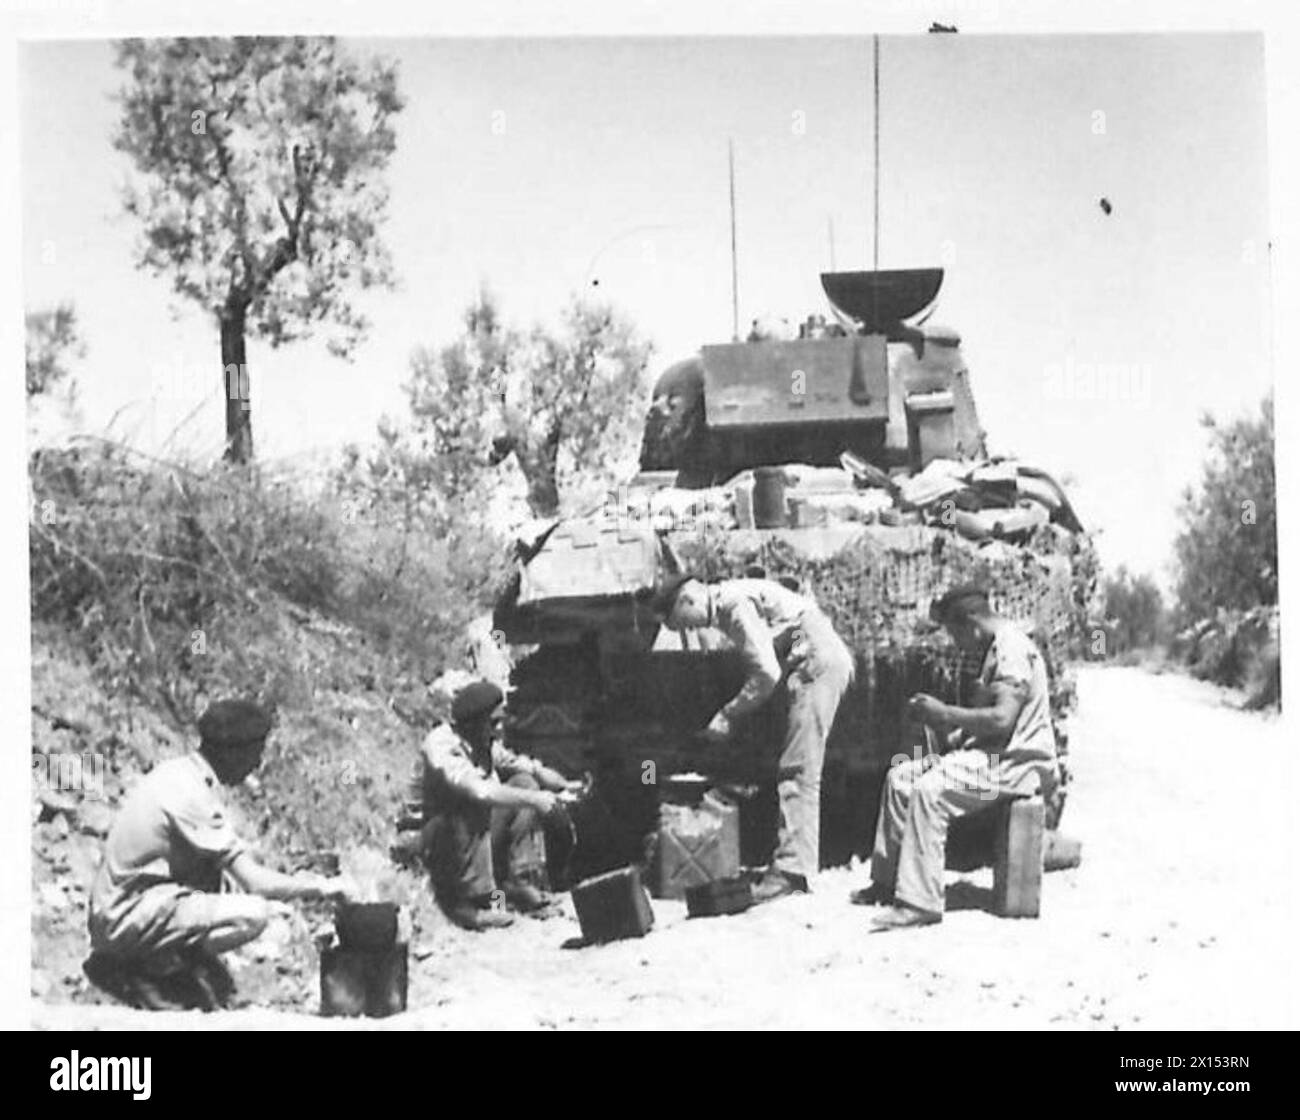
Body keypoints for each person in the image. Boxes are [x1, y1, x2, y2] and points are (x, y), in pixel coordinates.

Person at [84, 699, 358, 1010]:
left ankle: (164, 966)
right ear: (232, 753)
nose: (257, 764)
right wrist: (322, 887)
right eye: (255, 754)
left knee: (214, 877)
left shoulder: (179, 773)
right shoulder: (192, 795)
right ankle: (144, 969)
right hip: (123, 916)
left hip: (126, 906)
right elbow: (256, 884)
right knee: (253, 913)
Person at [856, 582, 1060, 932]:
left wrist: (945, 713)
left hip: (1017, 766)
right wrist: (956, 733)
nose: (956, 643)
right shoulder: (996, 648)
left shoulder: (1011, 649)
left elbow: (1002, 719)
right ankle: (887, 882)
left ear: (972, 623)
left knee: (930, 791)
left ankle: (920, 903)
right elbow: (991, 721)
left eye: (955, 633)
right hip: (996, 758)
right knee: (901, 777)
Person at [651, 573, 854, 902]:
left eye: (682, 623)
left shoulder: (732, 605)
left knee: (797, 770)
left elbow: (766, 672)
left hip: (816, 662)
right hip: (812, 658)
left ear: (687, 599)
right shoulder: (732, 599)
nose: (689, 630)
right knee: (797, 766)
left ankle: (791, 871)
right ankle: (795, 866)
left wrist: (728, 714)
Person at [401, 679, 582, 931]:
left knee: (525, 783)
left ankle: (517, 882)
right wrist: (535, 800)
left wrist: (563, 786)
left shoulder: (482, 741)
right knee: (475, 803)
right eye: (493, 722)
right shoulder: (442, 745)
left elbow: (525, 767)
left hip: (468, 838)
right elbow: (480, 791)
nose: (499, 729)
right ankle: (467, 906)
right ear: (474, 721)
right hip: (435, 837)